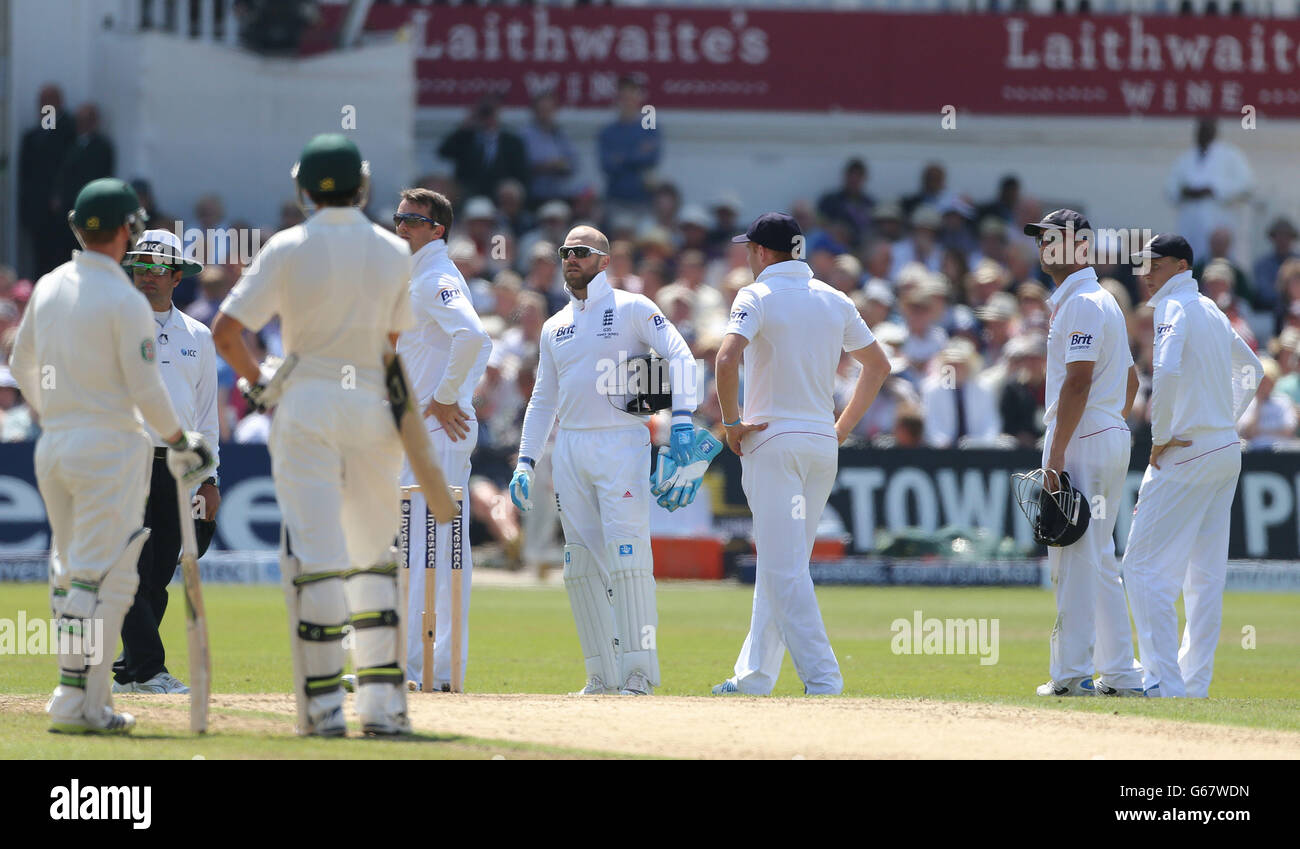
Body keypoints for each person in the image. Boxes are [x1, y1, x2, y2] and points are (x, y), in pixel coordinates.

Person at [212, 134, 414, 736]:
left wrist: (264, 382)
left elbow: (226, 333)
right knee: (375, 558)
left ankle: (324, 712)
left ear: (304, 189)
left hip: (307, 406)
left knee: (319, 559)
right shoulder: (393, 252)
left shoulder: (286, 247)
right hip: (372, 409)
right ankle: (384, 708)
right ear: (364, 186)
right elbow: (391, 347)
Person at [9, 178, 213, 734]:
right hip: (110, 447)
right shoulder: (124, 299)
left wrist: (53, 412)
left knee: (72, 569)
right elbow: (148, 390)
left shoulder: (49, 284)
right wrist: (181, 442)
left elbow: (20, 363)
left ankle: (76, 694)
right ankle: (80, 701)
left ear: (78, 226)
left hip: (56, 445)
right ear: (128, 229)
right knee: (111, 578)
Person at [508, 225, 698, 696]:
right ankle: (600, 674)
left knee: (629, 556)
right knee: (579, 563)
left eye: (581, 252)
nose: (571, 258)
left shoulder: (634, 308)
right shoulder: (555, 325)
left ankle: (640, 675)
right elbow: (541, 399)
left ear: (604, 259)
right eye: (566, 252)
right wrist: (526, 461)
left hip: (622, 441)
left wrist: (683, 420)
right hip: (570, 447)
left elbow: (679, 354)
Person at [711, 212, 891, 695]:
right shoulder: (834, 299)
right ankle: (754, 677)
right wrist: (841, 428)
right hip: (819, 445)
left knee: (783, 565)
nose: (748, 258)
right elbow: (878, 365)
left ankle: (824, 679)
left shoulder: (756, 295)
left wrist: (730, 423)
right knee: (782, 561)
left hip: (771, 440)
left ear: (763, 253)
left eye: (750, 250)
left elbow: (725, 360)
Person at [1122, 234, 1260, 698]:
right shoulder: (1210, 308)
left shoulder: (1175, 306)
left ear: (1181, 265)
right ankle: (1192, 683)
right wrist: (1225, 419)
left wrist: (1160, 438)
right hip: (1223, 449)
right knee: (1203, 576)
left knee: (1140, 566)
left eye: (1154, 265)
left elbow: (1167, 370)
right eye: (1142, 265)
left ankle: (1162, 681)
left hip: (1187, 450)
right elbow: (1253, 370)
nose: (1145, 274)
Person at [1024, 209, 1144, 698]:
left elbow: (1077, 381)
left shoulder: (1084, 302)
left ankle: (1071, 676)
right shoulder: (1096, 300)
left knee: (1074, 554)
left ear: (1080, 246)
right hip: (1103, 431)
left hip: (1085, 436)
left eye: (1053, 239)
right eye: (1041, 239)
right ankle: (1119, 673)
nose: (1043, 246)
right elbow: (1131, 379)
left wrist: (1055, 457)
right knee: (1097, 557)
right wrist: (1113, 423)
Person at [112, 230, 221, 696]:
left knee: (158, 573)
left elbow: (206, 414)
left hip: (178, 467)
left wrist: (210, 477)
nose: (148, 276)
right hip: (125, 459)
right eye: (140, 266)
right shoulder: (115, 323)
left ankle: (128, 669)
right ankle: (150, 667)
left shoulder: (198, 335)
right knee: (132, 568)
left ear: (177, 276)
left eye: (158, 268)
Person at [392, 188, 493, 691]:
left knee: (429, 549)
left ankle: (424, 670)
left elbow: (473, 336)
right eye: (399, 217)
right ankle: (429, 668)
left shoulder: (434, 276)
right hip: (425, 429)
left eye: (414, 219)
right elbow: (482, 341)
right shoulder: (417, 274)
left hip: (437, 431)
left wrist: (449, 397)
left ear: (438, 230)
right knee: (429, 549)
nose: (403, 226)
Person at [1164, 118, 1253, 265]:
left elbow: (1246, 185)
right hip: (1191, 219)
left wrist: (1214, 190)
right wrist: (1186, 192)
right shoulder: (1186, 158)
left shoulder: (1231, 155)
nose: (1203, 134)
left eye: (1207, 130)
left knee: (1220, 261)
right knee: (1190, 259)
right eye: (1200, 131)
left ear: (1215, 132)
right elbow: (1171, 189)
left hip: (1219, 218)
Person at [18, 84, 74, 278]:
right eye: (41, 102)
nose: (43, 106)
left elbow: (60, 160)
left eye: (48, 102)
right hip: (38, 212)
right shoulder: (33, 135)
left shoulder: (68, 129)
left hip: (58, 214)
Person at [437, 96, 530, 200]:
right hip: (469, 193)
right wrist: (464, 127)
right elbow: (443, 152)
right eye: (484, 113)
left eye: (490, 112)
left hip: (500, 194)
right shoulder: (466, 137)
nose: (488, 118)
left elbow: (520, 172)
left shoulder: (511, 141)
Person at [598, 75, 661, 211]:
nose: (628, 103)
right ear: (617, 100)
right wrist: (637, 153)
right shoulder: (608, 132)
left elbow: (652, 158)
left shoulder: (649, 129)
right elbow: (607, 165)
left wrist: (621, 157)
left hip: (644, 200)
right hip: (616, 199)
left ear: (639, 99)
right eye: (624, 98)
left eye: (631, 97)